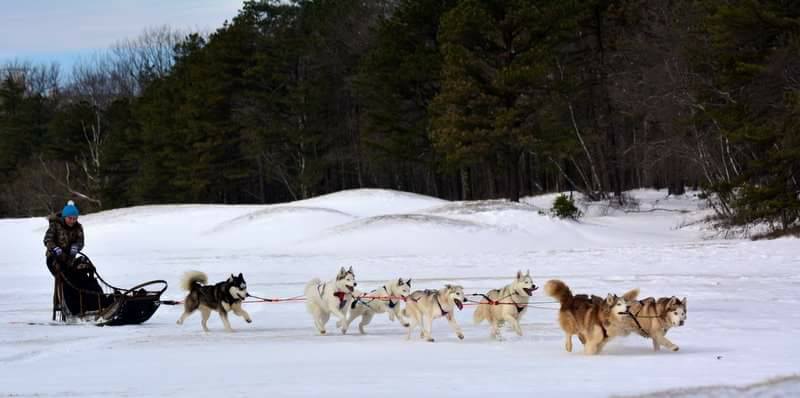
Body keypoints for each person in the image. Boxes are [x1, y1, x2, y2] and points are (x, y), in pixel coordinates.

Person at [44, 200, 84, 276]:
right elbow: (48, 239)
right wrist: (55, 248)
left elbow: (80, 242)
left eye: (75, 218)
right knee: (64, 276)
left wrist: (76, 246)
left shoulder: (78, 227)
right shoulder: (55, 225)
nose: (72, 221)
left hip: (70, 258)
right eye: (70, 218)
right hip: (53, 257)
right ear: (64, 217)